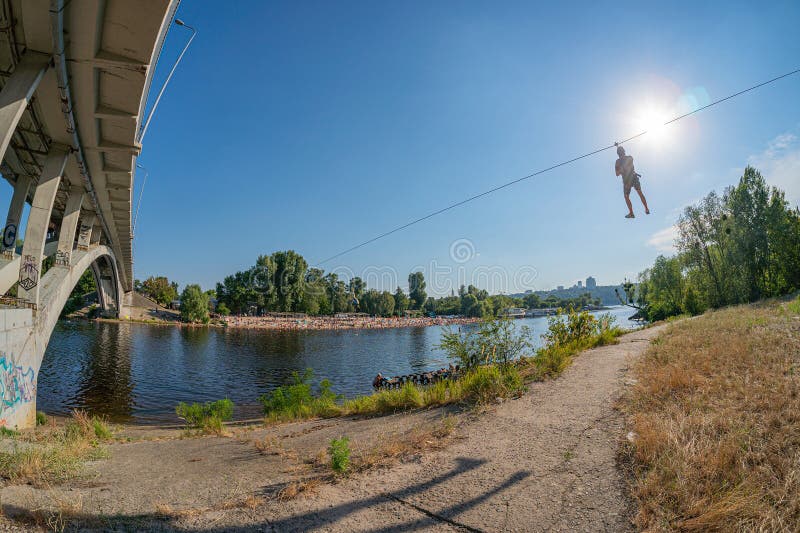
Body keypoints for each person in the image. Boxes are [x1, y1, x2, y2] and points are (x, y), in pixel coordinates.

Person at [614, 145, 650, 218]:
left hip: (627, 180)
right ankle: (646, 209)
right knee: (639, 192)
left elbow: (617, 173)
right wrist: (618, 147)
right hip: (633, 178)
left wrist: (621, 169)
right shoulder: (629, 157)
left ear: (618, 154)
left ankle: (632, 213)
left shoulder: (618, 161)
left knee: (627, 196)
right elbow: (617, 173)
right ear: (624, 151)